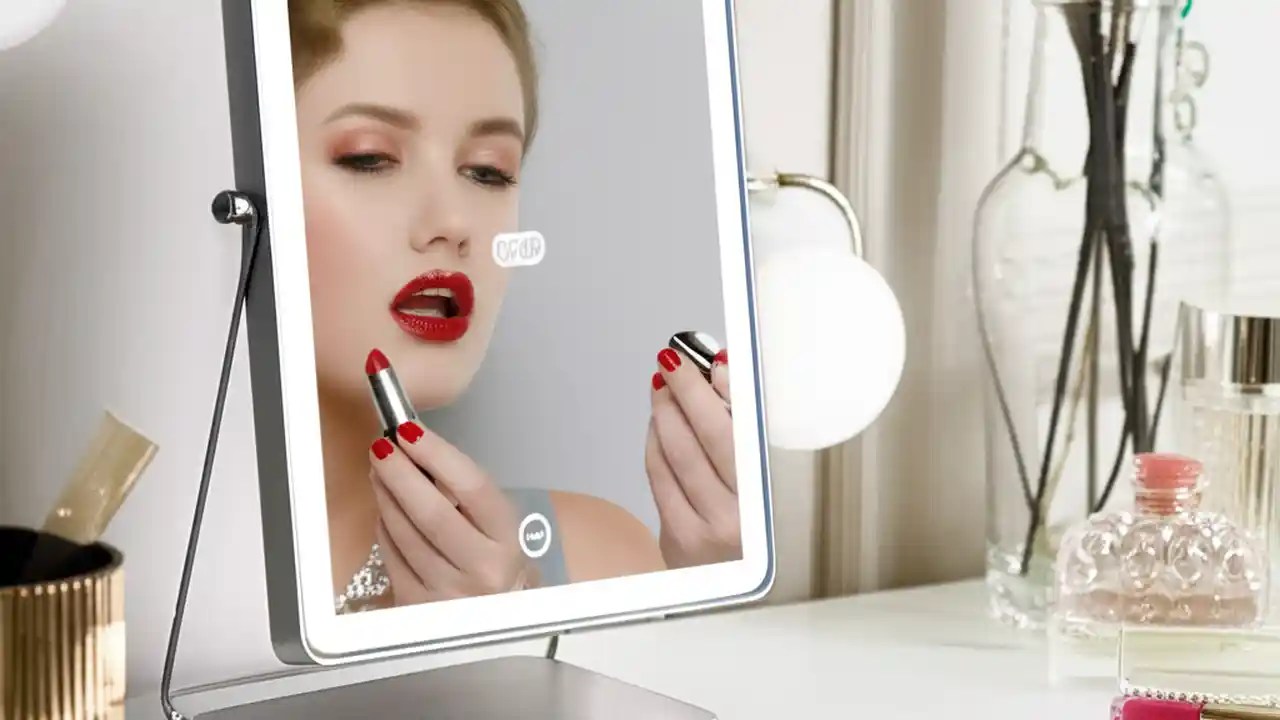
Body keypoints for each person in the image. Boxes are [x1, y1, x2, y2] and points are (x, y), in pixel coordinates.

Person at [288, 0, 741, 612]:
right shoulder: (120, 580)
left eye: (487, 172)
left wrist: (720, 590)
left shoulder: (598, 563)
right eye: (369, 158)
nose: (453, 223)